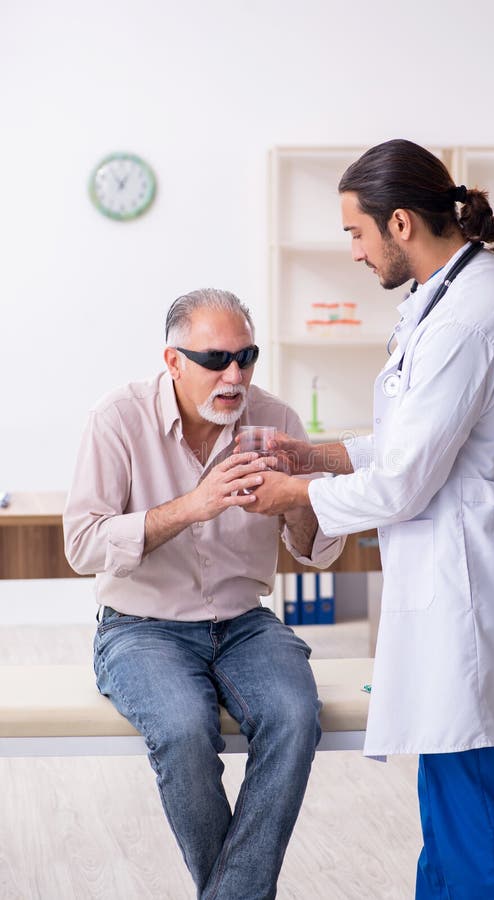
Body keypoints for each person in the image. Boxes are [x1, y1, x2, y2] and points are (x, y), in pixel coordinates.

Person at [247, 139, 494, 899]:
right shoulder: (470, 294)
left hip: (472, 597)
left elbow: (402, 485)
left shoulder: (468, 318)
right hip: (472, 582)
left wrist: (288, 495)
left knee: (476, 814)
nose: (353, 253)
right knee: (453, 808)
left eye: (355, 233)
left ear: (398, 223)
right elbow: (422, 442)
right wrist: (316, 455)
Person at [63, 288, 345, 900]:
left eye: (247, 356)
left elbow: (316, 549)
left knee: (295, 717)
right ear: (173, 362)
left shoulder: (277, 420)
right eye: (217, 359)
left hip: (245, 622)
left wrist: (295, 500)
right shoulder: (117, 418)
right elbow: (82, 545)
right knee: (185, 728)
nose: (235, 375)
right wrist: (194, 506)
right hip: (141, 627)